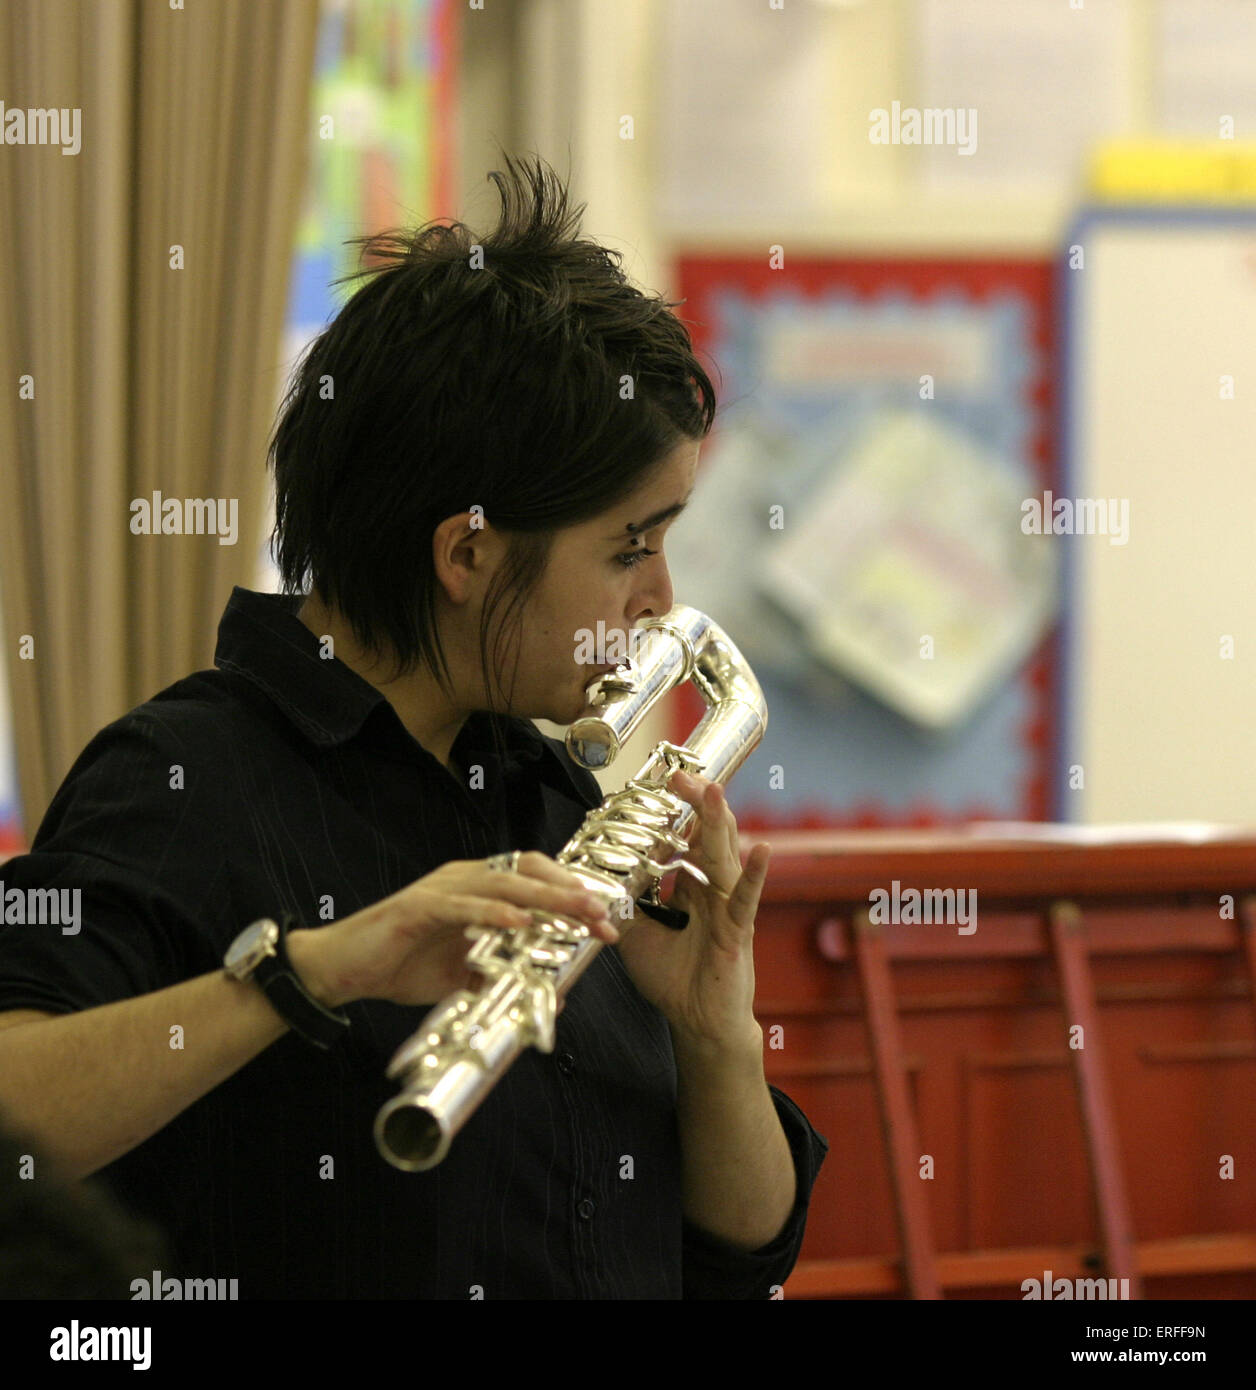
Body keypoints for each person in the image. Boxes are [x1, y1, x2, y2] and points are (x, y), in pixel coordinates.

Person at [0, 153, 828, 1299]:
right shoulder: (183, 779)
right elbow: (15, 1126)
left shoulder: (547, 789)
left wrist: (711, 1027)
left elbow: (741, 1251)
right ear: (468, 552)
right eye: (628, 545)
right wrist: (313, 974)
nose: (658, 598)